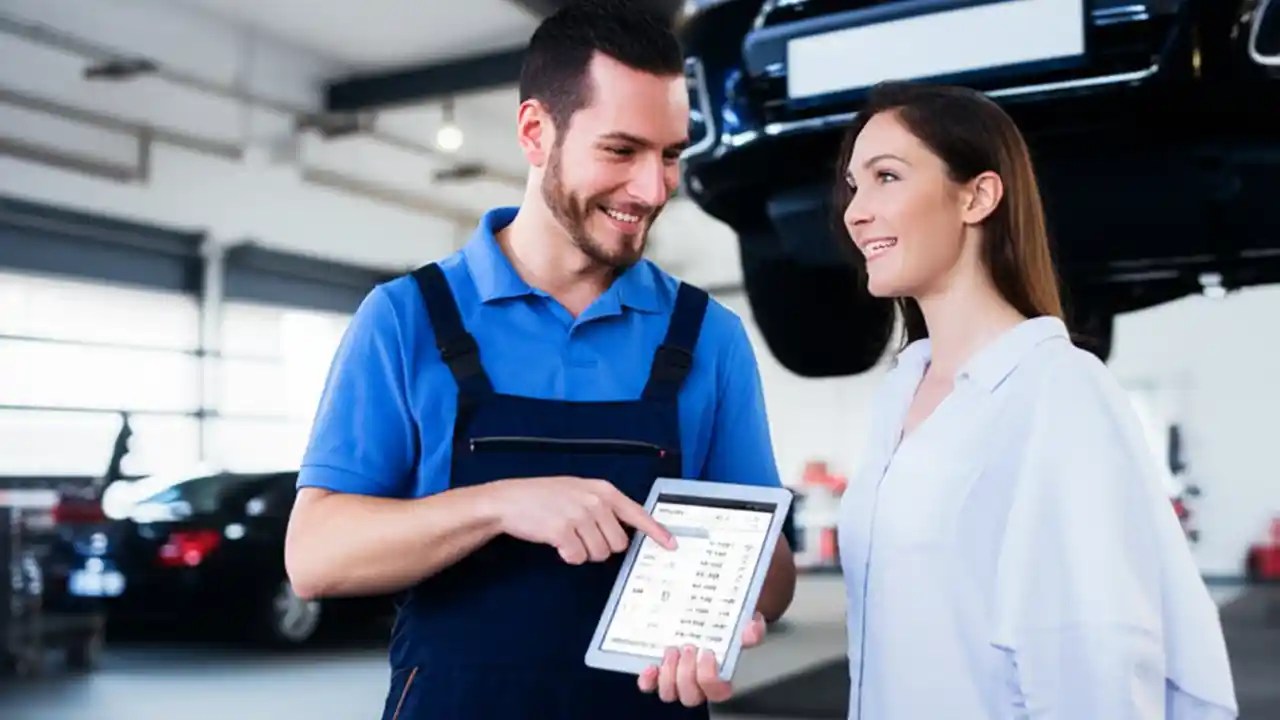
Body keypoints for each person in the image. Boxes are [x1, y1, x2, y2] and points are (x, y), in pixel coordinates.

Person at [283, 2, 796, 719]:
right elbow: (315, 558)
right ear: (535, 132)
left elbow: (772, 580)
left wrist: (722, 611)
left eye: (671, 155)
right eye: (621, 151)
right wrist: (502, 503)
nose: (652, 190)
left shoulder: (709, 337)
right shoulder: (405, 320)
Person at [834, 81, 1238, 719]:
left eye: (886, 176)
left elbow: (1097, 663)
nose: (856, 211)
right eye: (854, 185)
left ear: (977, 195)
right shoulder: (900, 393)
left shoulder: (1058, 392)